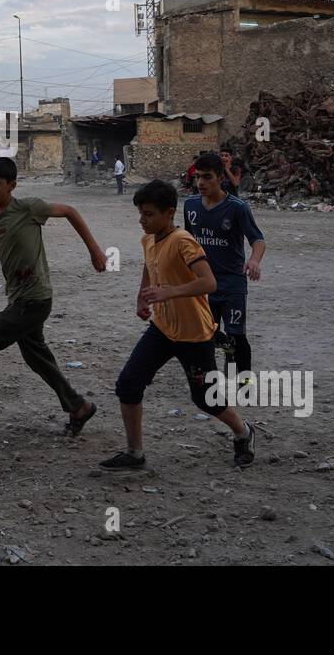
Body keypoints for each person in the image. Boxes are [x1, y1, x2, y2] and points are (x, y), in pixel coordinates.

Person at [100, 179, 255, 471]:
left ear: (169, 213)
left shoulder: (183, 240)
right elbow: (150, 265)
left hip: (195, 335)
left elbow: (209, 282)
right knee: (128, 384)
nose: (142, 220)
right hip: (162, 329)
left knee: (205, 399)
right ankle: (135, 453)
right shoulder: (148, 239)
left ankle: (243, 432)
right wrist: (141, 298)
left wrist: (168, 291)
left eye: (149, 214)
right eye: (140, 214)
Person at [0, 156, 104, 446]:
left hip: (35, 300)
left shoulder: (28, 208)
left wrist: (95, 251)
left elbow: (70, 211)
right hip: (18, 299)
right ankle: (79, 407)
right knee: (36, 357)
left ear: (12, 185)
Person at [184, 152, 266, 383]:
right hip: (202, 284)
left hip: (232, 284)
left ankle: (244, 381)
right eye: (197, 177)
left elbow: (258, 239)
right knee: (204, 334)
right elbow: (187, 242)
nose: (200, 182)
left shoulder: (237, 207)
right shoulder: (190, 205)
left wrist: (254, 260)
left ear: (220, 178)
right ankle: (209, 378)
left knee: (237, 335)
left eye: (207, 177)